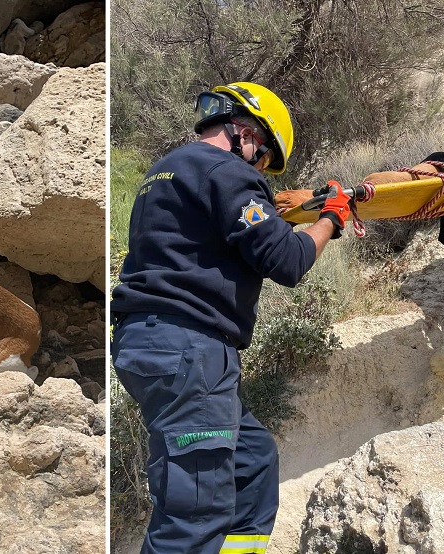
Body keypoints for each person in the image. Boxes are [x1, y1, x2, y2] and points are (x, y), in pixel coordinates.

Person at [110, 82, 350, 553]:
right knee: (193, 515)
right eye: (263, 158)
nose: (260, 169)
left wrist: (294, 212)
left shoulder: (166, 171)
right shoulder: (225, 171)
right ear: (245, 132)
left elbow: (228, 234)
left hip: (149, 345)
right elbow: (287, 261)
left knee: (252, 461)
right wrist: (331, 219)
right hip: (191, 350)